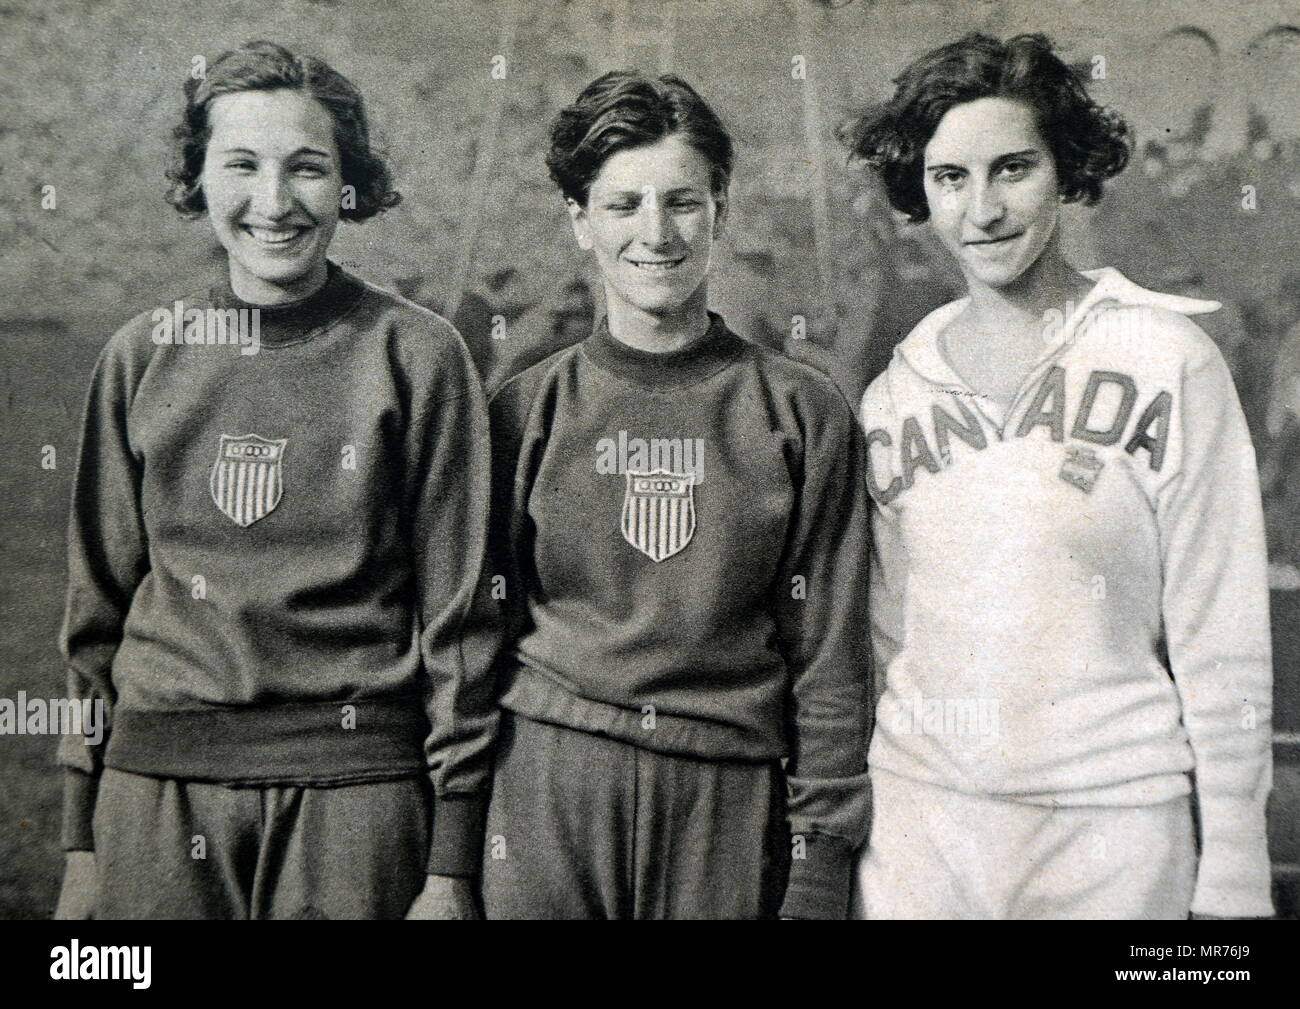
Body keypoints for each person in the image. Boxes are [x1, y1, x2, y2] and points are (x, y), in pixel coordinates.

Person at [52, 40, 496, 920]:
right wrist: (80, 843)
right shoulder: (143, 356)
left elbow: (462, 625)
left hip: (357, 793)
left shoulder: (417, 354)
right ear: (199, 179)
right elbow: (93, 616)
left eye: (307, 168)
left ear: (349, 183)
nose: (273, 202)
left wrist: (450, 865)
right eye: (241, 165)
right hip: (157, 791)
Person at [841, 32, 1274, 919]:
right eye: (950, 178)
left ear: (1065, 168)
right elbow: (887, 640)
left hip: (1114, 826)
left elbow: (1221, 632)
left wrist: (1235, 867)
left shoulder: (1168, 360)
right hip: (923, 827)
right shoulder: (890, 397)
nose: (983, 210)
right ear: (919, 191)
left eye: (1013, 169)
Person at [477, 70, 872, 919]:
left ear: (720, 210)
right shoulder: (527, 408)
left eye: (682, 202)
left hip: (725, 796)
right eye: (623, 206)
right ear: (581, 222)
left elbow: (831, 656)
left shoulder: (801, 411)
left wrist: (819, 859)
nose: (655, 234)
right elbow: (477, 634)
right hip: (547, 783)